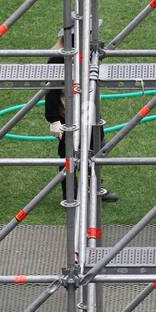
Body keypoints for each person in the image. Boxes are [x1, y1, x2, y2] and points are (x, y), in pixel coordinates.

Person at [45, 34, 118, 204]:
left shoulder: (87, 52)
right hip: (69, 116)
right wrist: (54, 120)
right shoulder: (58, 59)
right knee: (68, 156)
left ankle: (94, 189)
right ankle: (70, 195)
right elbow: (52, 92)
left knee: (96, 150)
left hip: (88, 111)